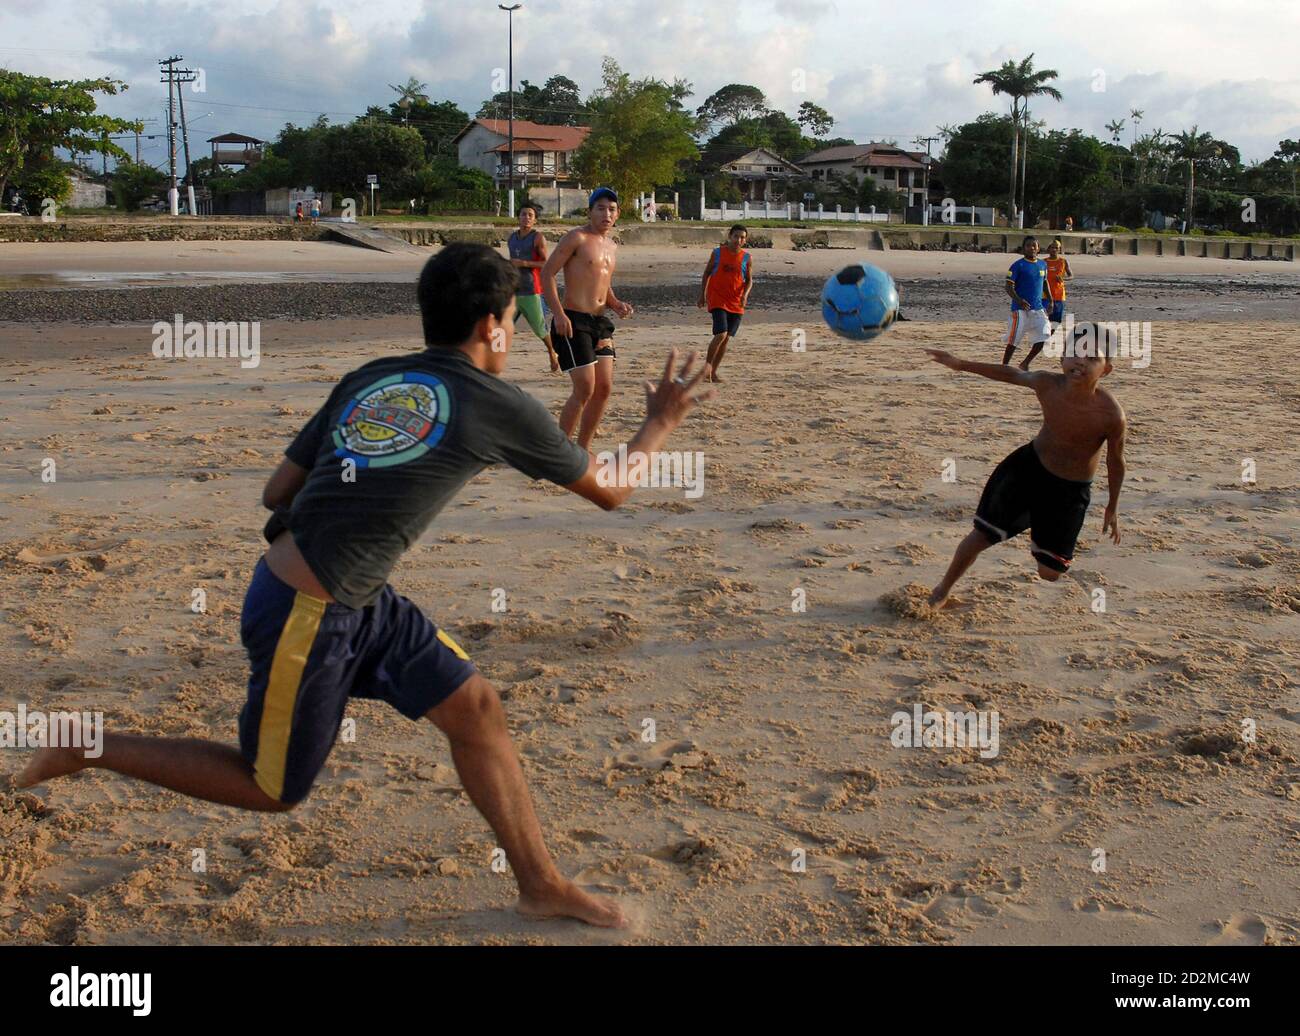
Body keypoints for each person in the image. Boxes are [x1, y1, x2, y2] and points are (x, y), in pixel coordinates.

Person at [17, 243, 715, 929]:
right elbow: (610, 489)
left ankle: (541, 885)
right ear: (491, 327)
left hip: (348, 593)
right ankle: (88, 743)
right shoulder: (499, 402)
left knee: (475, 710)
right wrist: (658, 423)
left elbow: (275, 491)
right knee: (272, 787)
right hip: (310, 612)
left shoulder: (370, 376)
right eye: (513, 320)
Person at [923, 322, 1126, 611]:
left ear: (1106, 370)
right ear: (1062, 358)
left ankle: (1035, 526)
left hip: (1069, 491)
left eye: (1092, 357)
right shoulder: (1047, 383)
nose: (1080, 361)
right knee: (981, 536)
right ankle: (942, 590)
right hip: (1028, 470)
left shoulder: (1111, 415)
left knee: (1050, 574)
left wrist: (1112, 506)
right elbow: (1012, 374)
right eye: (1074, 353)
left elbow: (1115, 461)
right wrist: (960, 364)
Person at [541, 187, 634, 450]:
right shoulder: (576, 238)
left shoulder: (612, 245)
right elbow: (547, 274)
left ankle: (583, 449)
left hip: (600, 323)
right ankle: (559, 449)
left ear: (617, 214)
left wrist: (615, 304)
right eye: (601, 208)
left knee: (603, 388)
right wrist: (558, 314)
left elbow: (603, 282)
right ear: (590, 211)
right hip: (573, 320)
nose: (607, 213)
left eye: (612, 209)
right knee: (585, 388)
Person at [507, 203, 560, 373]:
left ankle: (552, 351)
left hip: (532, 290)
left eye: (530, 215)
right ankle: (492, 358)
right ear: (518, 217)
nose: (526, 217)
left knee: (539, 329)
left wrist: (524, 263)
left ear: (535, 219)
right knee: (500, 326)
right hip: (512, 290)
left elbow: (547, 263)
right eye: (523, 214)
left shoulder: (538, 238)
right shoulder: (512, 238)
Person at [697, 224, 753, 383]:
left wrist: (745, 296)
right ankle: (706, 369)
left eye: (742, 237)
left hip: (736, 302)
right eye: (736, 236)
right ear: (730, 236)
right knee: (720, 334)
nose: (739, 240)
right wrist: (702, 295)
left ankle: (712, 373)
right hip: (718, 300)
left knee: (726, 338)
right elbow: (707, 273)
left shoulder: (747, 258)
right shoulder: (717, 253)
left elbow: (749, 280)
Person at [1002, 236, 1051, 370]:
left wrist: (1050, 301)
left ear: (1038, 248)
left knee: (1044, 335)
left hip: (1038, 308)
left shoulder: (1042, 264)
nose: (1032, 248)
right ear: (1024, 248)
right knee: (1014, 339)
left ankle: (1025, 363)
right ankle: (1004, 366)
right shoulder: (1018, 265)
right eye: (1028, 245)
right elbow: (1008, 286)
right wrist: (1019, 300)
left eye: (1034, 245)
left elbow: (1045, 283)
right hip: (1020, 309)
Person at [1044, 239, 1073, 329]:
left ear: (1059, 250)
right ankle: (1044, 339)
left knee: (1056, 321)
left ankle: (1049, 337)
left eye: (1056, 248)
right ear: (1048, 249)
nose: (1054, 250)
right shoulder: (1043, 262)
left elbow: (1071, 276)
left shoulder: (1063, 261)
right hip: (1044, 295)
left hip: (1059, 295)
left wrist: (1063, 278)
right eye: (1052, 247)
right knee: (1044, 319)